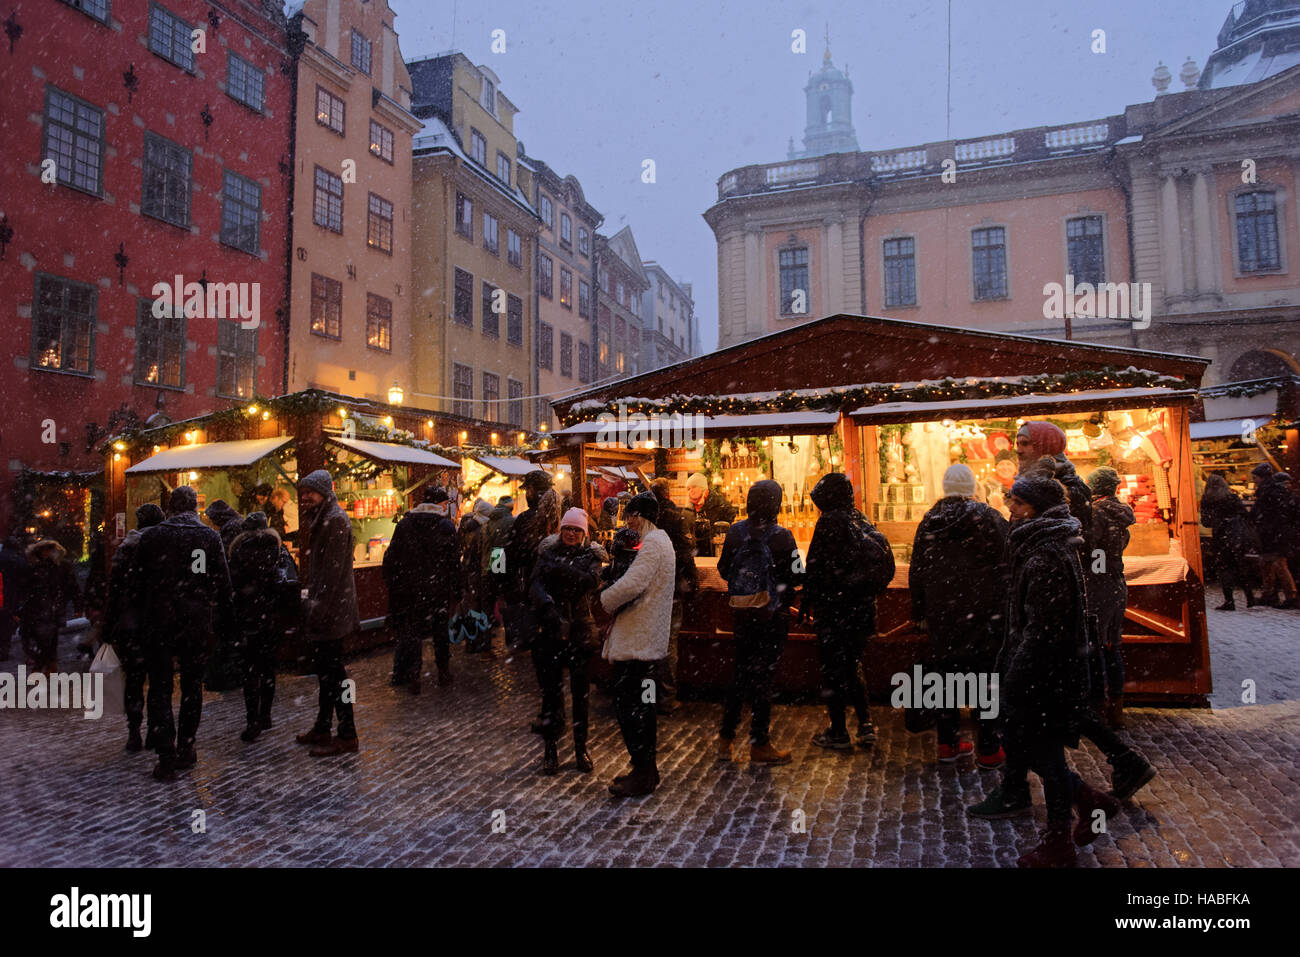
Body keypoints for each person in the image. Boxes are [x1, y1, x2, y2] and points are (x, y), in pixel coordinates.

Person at [965, 473, 1118, 868]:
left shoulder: (1045, 552)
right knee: (1036, 748)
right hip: (1045, 665)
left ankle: (1061, 840)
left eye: (1015, 501)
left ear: (1033, 506)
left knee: (1041, 752)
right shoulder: (1041, 543)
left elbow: (1042, 626)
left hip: (1044, 670)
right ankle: (1087, 803)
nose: (1009, 508)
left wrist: (1016, 676)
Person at [129, 487, 233, 781]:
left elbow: (136, 581)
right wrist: (220, 618)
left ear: (171, 507)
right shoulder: (208, 538)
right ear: (194, 507)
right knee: (191, 687)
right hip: (195, 622)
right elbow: (222, 584)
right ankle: (186, 746)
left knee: (160, 688)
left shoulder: (152, 537)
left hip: (159, 621)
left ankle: (165, 756)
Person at [908, 464, 1008, 765]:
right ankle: (989, 747)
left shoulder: (930, 521)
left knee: (947, 675)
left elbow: (918, 570)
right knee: (985, 677)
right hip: (983, 612)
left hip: (944, 614)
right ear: (971, 486)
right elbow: (1007, 561)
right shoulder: (989, 518)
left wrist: (920, 610)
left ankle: (948, 743)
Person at [806, 471, 893, 752]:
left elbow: (815, 569)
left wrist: (809, 600)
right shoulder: (861, 518)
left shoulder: (829, 522)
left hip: (834, 610)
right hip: (861, 610)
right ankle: (866, 725)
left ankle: (839, 731)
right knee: (853, 666)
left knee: (833, 671)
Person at [715, 479, 799, 765]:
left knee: (739, 675)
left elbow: (723, 569)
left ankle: (725, 739)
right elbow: (796, 576)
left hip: (741, 614)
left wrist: (746, 588)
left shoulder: (735, 532)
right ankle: (759, 744)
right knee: (763, 679)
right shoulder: (783, 536)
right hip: (771, 617)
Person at [599, 492, 676, 797]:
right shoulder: (662, 542)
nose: (628, 521)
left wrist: (605, 596)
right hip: (646, 639)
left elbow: (634, 583)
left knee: (633, 708)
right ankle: (646, 769)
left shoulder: (655, 543)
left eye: (631, 515)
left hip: (639, 641)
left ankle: (643, 771)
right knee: (642, 707)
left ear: (640, 516)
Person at [531, 507, 608, 775]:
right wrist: (547, 608)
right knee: (551, 695)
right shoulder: (547, 553)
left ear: (584, 533)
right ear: (561, 530)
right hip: (552, 629)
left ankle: (580, 748)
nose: (572, 533)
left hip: (580, 631)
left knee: (580, 695)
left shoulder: (591, 556)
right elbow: (536, 584)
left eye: (577, 529)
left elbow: (588, 582)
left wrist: (560, 569)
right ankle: (550, 750)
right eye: (568, 528)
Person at [294, 470, 362, 757]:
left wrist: (318, 605)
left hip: (332, 609)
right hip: (327, 606)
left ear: (323, 491)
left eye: (310, 491)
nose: (305, 497)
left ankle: (347, 733)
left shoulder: (334, 520)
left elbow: (332, 573)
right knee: (327, 673)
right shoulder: (323, 517)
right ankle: (323, 726)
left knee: (335, 674)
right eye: (303, 492)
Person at [227, 511, 298, 741]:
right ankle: (266, 715)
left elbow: (232, 586)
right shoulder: (279, 551)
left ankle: (252, 720)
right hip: (272, 618)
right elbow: (289, 584)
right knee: (268, 668)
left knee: (250, 671)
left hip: (248, 619)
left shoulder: (237, 552)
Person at [103, 503, 165, 752]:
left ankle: (134, 730)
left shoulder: (125, 550)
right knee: (159, 682)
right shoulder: (161, 549)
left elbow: (114, 595)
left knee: (135, 680)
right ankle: (153, 731)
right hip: (156, 624)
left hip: (130, 626)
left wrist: (109, 627)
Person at [384, 486, 459, 692]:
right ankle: (443, 671)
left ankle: (414, 674)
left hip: (410, 590)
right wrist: (457, 589)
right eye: (444, 503)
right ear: (437, 504)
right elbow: (453, 562)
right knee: (440, 632)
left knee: (412, 632)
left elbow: (391, 558)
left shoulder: (405, 524)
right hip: (438, 589)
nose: (446, 506)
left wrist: (395, 584)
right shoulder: (445, 526)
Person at [1086, 467, 1134, 725]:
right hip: (1117, 582)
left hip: (1099, 586)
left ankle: (1098, 708)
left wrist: (1092, 568)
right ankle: (1117, 707)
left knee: (1095, 647)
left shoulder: (1097, 512)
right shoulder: (1121, 512)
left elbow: (1092, 550)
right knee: (1112, 646)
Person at [650, 478, 698, 715]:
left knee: (650, 643)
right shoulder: (675, 517)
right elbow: (685, 553)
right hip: (670, 587)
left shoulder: (645, 518)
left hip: (649, 587)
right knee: (668, 643)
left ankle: (648, 697)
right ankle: (667, 698)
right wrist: (693, 582)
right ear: (668, 492)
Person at [1015, 422, 1091, 533]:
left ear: (1045, 445)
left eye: (1025, 443)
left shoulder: (1069, 488)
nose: (1019, 450)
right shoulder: (1030, 482)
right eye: (1018, 444)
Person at [1200, 474, 1261, 610]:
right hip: (1236, 537)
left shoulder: (1208, 500)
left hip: (1220, 537)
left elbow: (1206, 522)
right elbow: (1245, 515)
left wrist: (1218, 522)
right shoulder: (1232, 497)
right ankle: (1250, 598)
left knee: (1225, 569)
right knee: (1241, 567)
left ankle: (1229, 600)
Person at [20, 539, 79, 674]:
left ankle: (45, 663)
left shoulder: (60, 567)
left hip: (51, 606)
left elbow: (71, 587)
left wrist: (77, 605)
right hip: (38, 607)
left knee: (48, 637)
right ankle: (46, 663)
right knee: (39, 637)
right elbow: (25, 587)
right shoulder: (34, 567)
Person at [1251, 463, 1299, 608]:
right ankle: (1271, 594)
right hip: (1274, 532)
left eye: (1255, 478)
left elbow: (1263, 511)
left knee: (1277, 563)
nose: (1254, 481)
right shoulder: (1272, 490)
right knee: (1267, 563)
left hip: (1273, 533)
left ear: (1262, 477)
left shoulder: (1269, 491)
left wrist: (1258, 520)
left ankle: (1289, 596)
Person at [456, 497, 495, 657]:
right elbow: (495, 555)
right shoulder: (486, 530)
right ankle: (484, 645)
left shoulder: (467, 527)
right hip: (483, 574)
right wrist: (499, 574)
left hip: (469, 573)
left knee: (472, 609)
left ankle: (471, 643)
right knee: (485, 610)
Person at [685, 472, 736, 558]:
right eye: (688, 489)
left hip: (716, 549)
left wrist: (718, 530)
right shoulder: (689, 507)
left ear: (703, 488)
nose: (691, 491)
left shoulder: (717, 501)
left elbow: (731, 513)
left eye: (694, 487)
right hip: (698, 550)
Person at [0, 532, 31, 662]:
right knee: (7, 625)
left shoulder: (1, 557)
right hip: (13, 597)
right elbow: (26, 579)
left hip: (2, 594)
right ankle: (3, 649)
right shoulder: (20, 560)